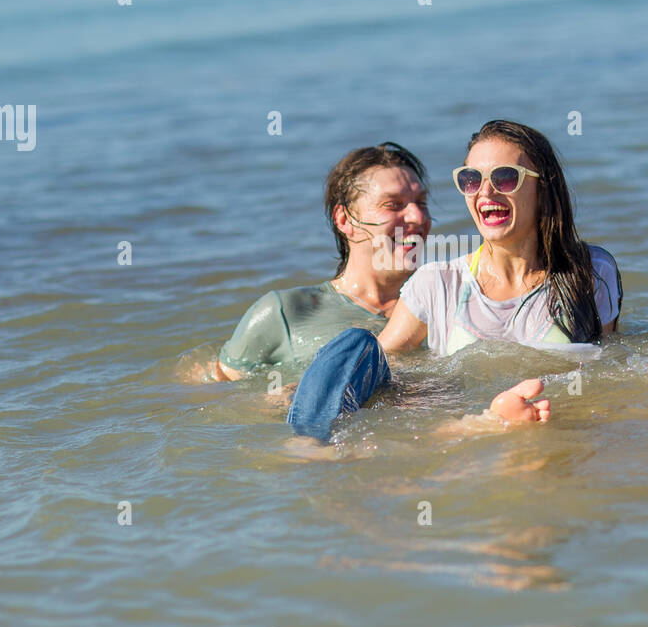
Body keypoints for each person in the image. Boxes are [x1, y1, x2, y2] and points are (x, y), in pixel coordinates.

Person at [287, 119, 622, 440]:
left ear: (543, 187)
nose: (485, 192)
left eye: (505, 178)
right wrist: (311, 390)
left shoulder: (590, 272)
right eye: (471, 179)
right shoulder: (436, 283)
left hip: (557, 434)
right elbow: (379, 367)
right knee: (356, 343)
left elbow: (609, 370)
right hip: (463, 436)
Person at [183, 142, 430, 382]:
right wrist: (272, 404)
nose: (418, 217)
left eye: (421, 203)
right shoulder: (285, 314)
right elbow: (213, 396)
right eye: (393, 205)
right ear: (345, 220)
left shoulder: (442, 302)